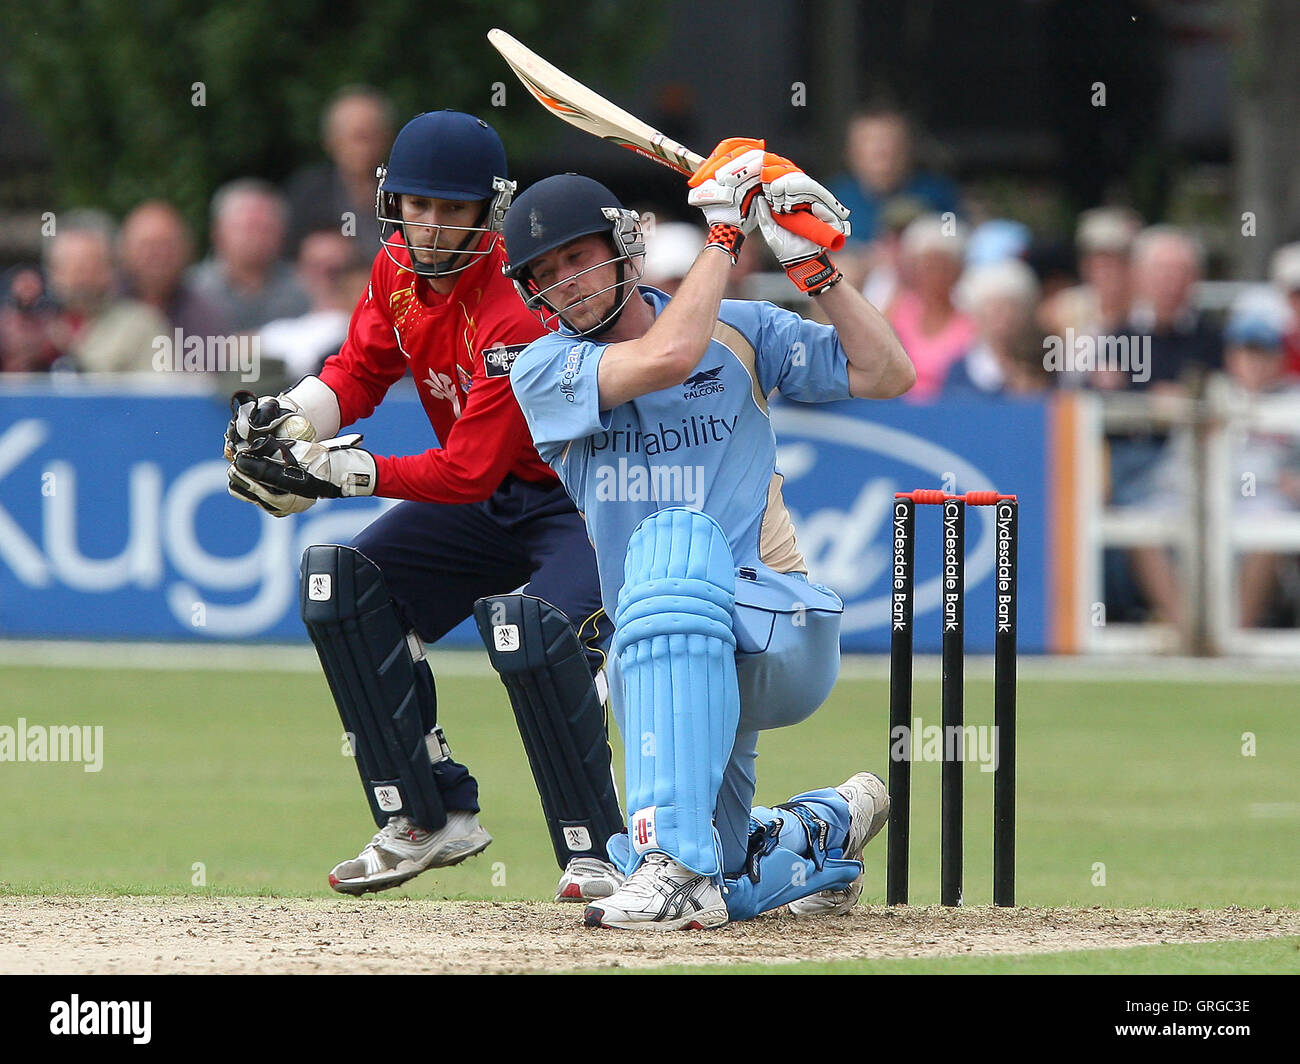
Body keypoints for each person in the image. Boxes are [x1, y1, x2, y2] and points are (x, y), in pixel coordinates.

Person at [504, 140, 914, 929]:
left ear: (624, 246)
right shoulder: (542, 372)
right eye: (544, 276)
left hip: (774, 633)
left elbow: (888, 373)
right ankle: (815, 828)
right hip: (663, 669)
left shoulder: (745, 332)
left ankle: (673, 865)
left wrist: (817, 273)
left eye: (577, 259)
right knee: (735, 882)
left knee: (676, 555)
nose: (566, 285)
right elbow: (667, 356)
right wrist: (727, 235)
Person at [224, 110, 624, 903]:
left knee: (536, 639)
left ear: (490, 210)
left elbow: (469, 470)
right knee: (340, 583)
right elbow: (360, 371)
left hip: (579, 504)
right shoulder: (394, 273)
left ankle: (602, 854)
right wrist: (292, 418)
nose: (432, 227)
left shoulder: (513, 309)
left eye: (453, 210)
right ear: (393, 201)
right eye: (418, 206)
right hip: (494, 502)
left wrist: (335, 474)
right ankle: (425, 814)